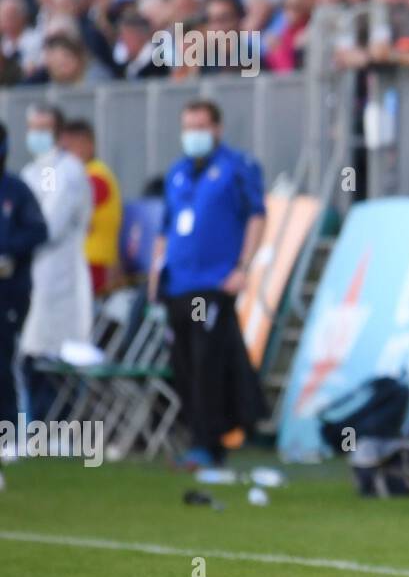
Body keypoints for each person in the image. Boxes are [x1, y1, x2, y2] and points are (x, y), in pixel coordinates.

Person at [150, 100, 267, 468]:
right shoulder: (177, 173)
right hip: (178, 282)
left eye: (200, 126)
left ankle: (207, 442)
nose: (194, 134)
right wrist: (156, 275)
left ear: (217, 128)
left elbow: (256, 216)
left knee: (207, 361)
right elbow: (166, 230)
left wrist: (243, 266)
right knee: (183, 364)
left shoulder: (236, 168)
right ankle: (202, 438)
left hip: (211, 281)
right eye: (188, 126)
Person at [19, 105, 92, 422]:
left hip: (57, 277)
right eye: (32, 128)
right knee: (29, 352)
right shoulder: (33, 172)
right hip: (29, 276)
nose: (36, 135)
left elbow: (47, 225)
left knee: (55, 354)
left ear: (60, 134)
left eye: (43, 128)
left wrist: (11, 240)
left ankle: (59, 426)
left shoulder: (66, 170)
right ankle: (34, 425)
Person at [0, 121, 48, 436]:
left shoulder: (16, 190)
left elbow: (39, 231)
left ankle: (9, 431)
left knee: (3, 361)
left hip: (9, 290)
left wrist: (6, 251)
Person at [60, 119, 122, 297]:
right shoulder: (82, 175)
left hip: (95, 262)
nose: (64, 155)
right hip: (81, 260)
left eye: (68, 148)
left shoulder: (97, 178)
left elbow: (65, 216)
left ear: (87, 146)